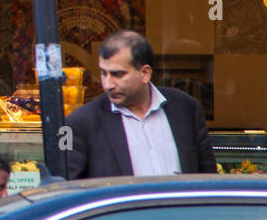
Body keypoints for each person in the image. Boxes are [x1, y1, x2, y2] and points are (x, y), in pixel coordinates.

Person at [65, 30, 216, 179]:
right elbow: (68, 191)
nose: (108, 84)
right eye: (104, 73)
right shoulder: (81, 123)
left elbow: (209, 179)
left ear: (145, 73)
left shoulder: (185, 108)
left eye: (118, 74)